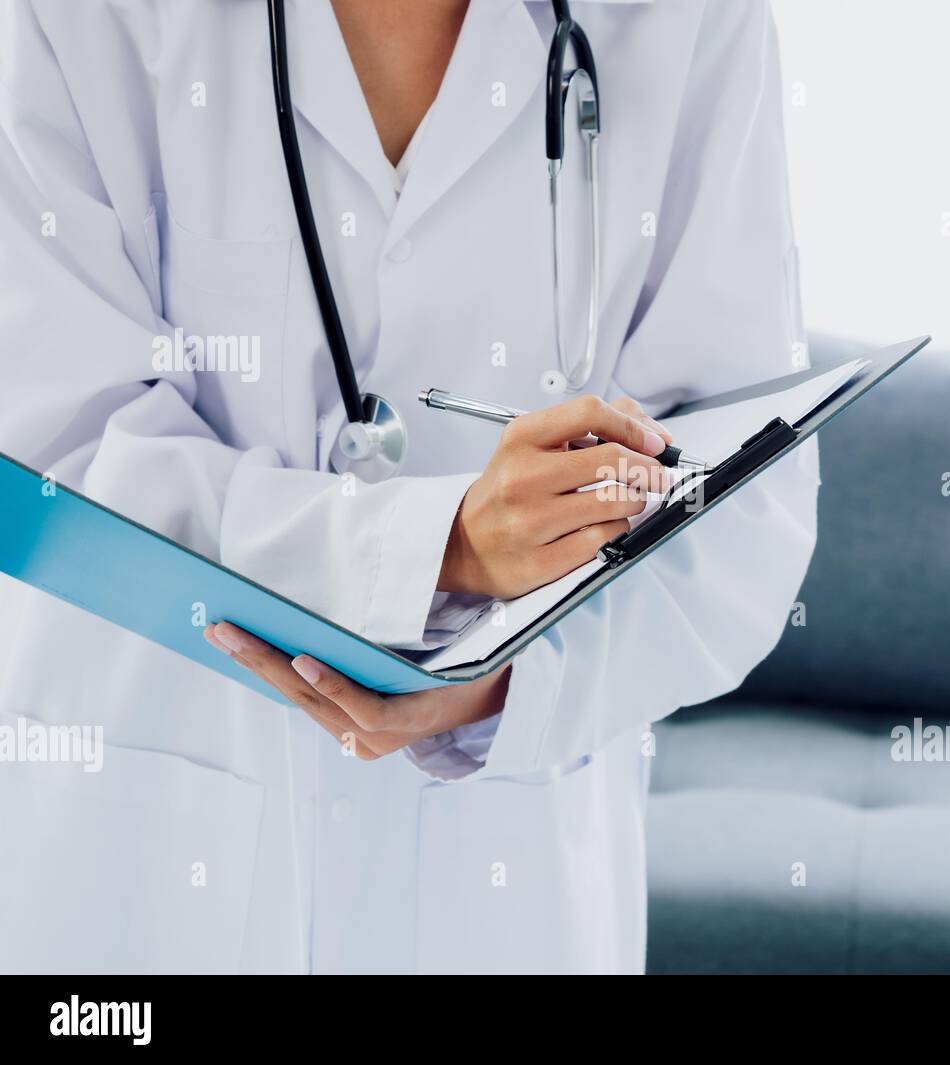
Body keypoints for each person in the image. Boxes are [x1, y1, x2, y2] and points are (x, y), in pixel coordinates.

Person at [0, 0, 817, 974]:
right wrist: (439, 548)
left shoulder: (690, 23)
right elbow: (53, 455)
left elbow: (741, 520)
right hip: (146, 852)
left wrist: (490, 688)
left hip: (499, 880)